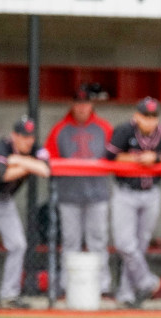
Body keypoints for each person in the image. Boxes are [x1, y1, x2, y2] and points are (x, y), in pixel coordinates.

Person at [0, 116, 50, 308]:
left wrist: (18, 161)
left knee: (18, 244)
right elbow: (1, 174)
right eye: (23, 136)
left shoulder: (36, 148)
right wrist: (29, 165)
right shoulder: (2, 146)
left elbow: (46, 170)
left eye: (30, 136)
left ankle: (9, 295)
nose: (28, 140)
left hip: (5, 201)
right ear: (14, 136)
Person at [46, 85, 114, 296]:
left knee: (98, 241)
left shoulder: (104, 128)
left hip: (97, 194)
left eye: (85, 103)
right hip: (69, 195)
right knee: (70, 242)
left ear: (91, 105)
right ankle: (67, 286)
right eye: (78, 103)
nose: (82, 107)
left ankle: (102, 287)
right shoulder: (59, 129)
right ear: (72, 105)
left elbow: (114, 157)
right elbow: (48, 159)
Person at [105, 97, 161, 309]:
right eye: (146, 116)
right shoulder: (125, 130)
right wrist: (137, 159)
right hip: (126, 192)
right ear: (137, 115)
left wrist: (156, 158)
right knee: (126, 244)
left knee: (140, 246)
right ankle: (146, 282)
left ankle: (127, 294)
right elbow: (109, 157)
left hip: (151, 192)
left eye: (153, 116)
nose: (150, 121)